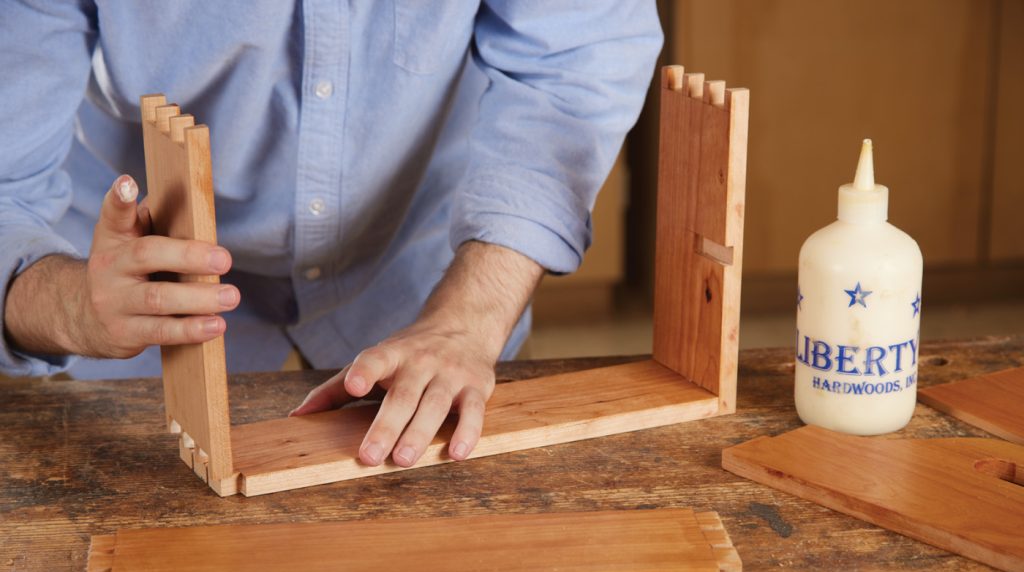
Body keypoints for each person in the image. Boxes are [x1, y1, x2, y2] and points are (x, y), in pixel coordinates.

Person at [0, 2, 662, 469]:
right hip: (134, 283)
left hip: (421, 268)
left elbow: (577, 60)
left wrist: (470, 316)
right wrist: (71, 306)